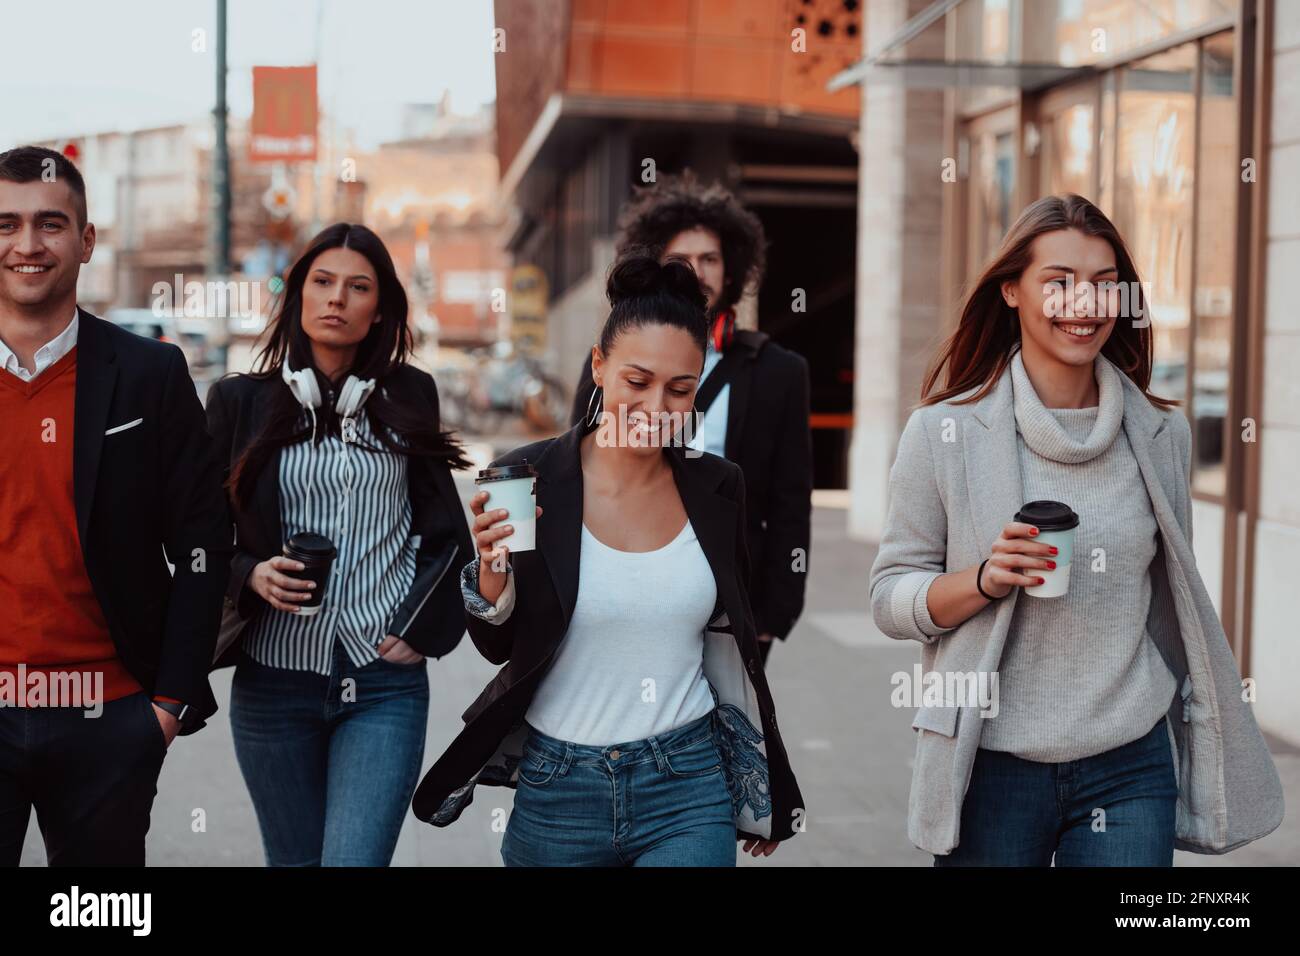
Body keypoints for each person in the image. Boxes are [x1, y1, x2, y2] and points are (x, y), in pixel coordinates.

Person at [870, 193, 1284, 865]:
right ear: (1012, 291)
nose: (1083, 303)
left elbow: (1166, 599)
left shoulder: (1159, 433)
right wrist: (982, 580)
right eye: (1058, 283)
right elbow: (890, 601)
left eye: (1101, 283)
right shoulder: (943, 432)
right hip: (992, 766)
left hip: (1129, 763)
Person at [412, 255, 805, 866]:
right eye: (637, 382)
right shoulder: (530, 476)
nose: (656, 408)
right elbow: (499, 647)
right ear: (599, 367)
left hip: (687, 785)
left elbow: (730, 648)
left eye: (681, 389)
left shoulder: (719, 486)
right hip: (557, 789)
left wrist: (761, 783)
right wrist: (492, 571)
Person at [205, 222, 474, 866]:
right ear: (298, 294)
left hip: (383, 685)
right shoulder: (240, 402)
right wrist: (249, 572)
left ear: (378, 307)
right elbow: (196, 537)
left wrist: (420, 628)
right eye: (322, 282)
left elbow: (445, 535)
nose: (337, 299)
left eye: (358, 287)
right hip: (273, 684)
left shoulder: (410, 396)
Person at [0, 145, 232, 866]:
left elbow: (202, 540)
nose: (27, 244)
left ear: (87, 240)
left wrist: (165, 705)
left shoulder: (148, 373)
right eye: (5, 223)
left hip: (110, 714)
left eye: (50, 224)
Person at [569, 172, 812, 667]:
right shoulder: (615, 364)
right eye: (683, 260)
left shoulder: (781, 370)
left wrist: (774, 613)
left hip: (730, 587)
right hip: (629, 566)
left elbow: (791, 500)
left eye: (711, 259)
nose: (698, 271)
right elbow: (577, 458)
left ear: (732, 269)